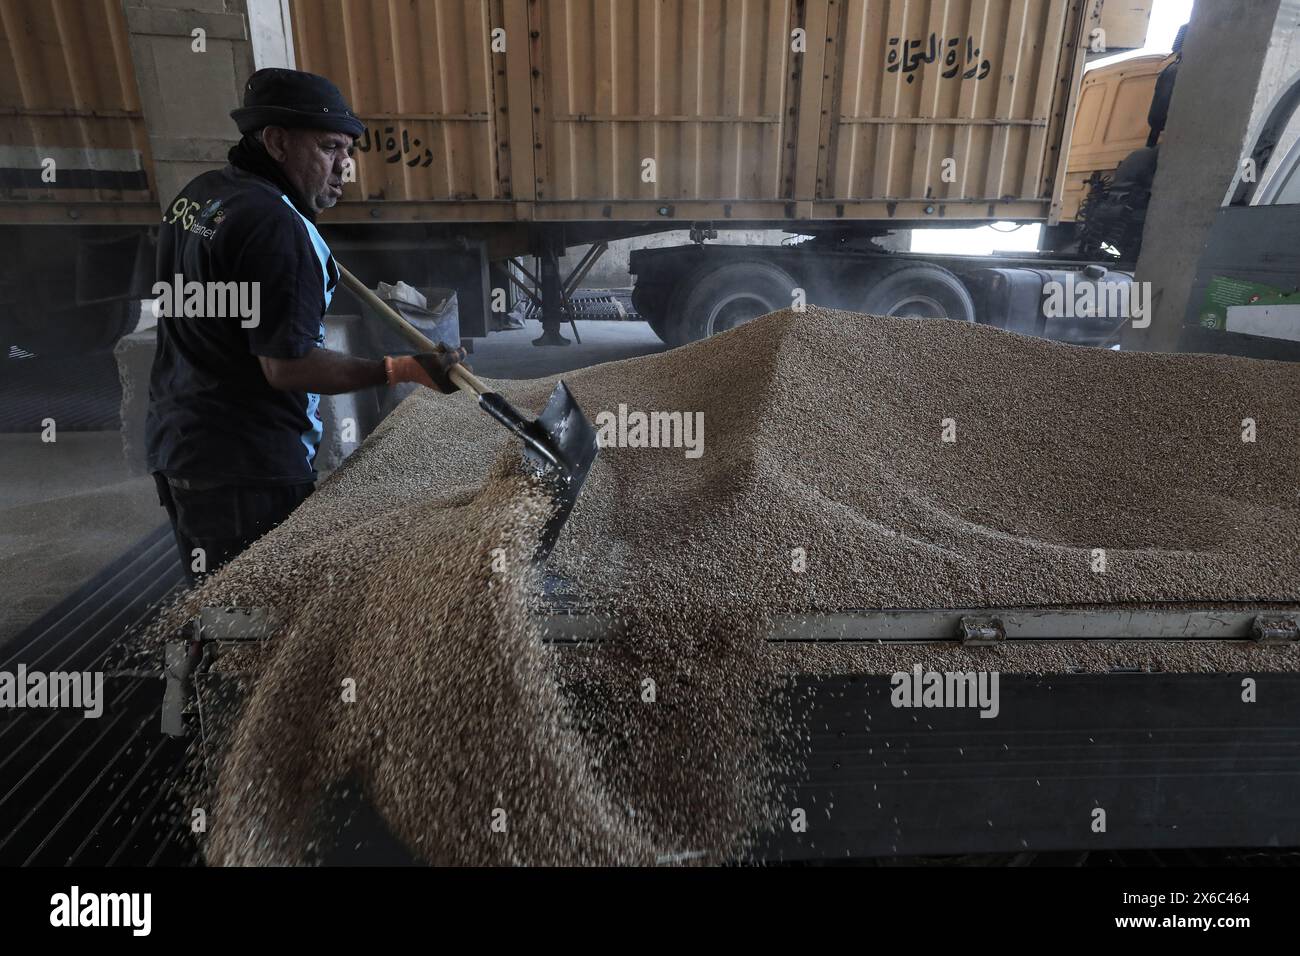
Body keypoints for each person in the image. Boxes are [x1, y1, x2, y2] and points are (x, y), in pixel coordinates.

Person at [145, 68, 464, 584]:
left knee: (216, 600)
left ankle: (201, 660)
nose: (345, 166)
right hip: (248, 467)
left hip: (180, 442)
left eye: (349, 151)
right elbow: (288, 367)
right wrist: (403, 368)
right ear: (276, 142)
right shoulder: (274, 227)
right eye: (330, 147)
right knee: (258, 617)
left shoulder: (201, 195)